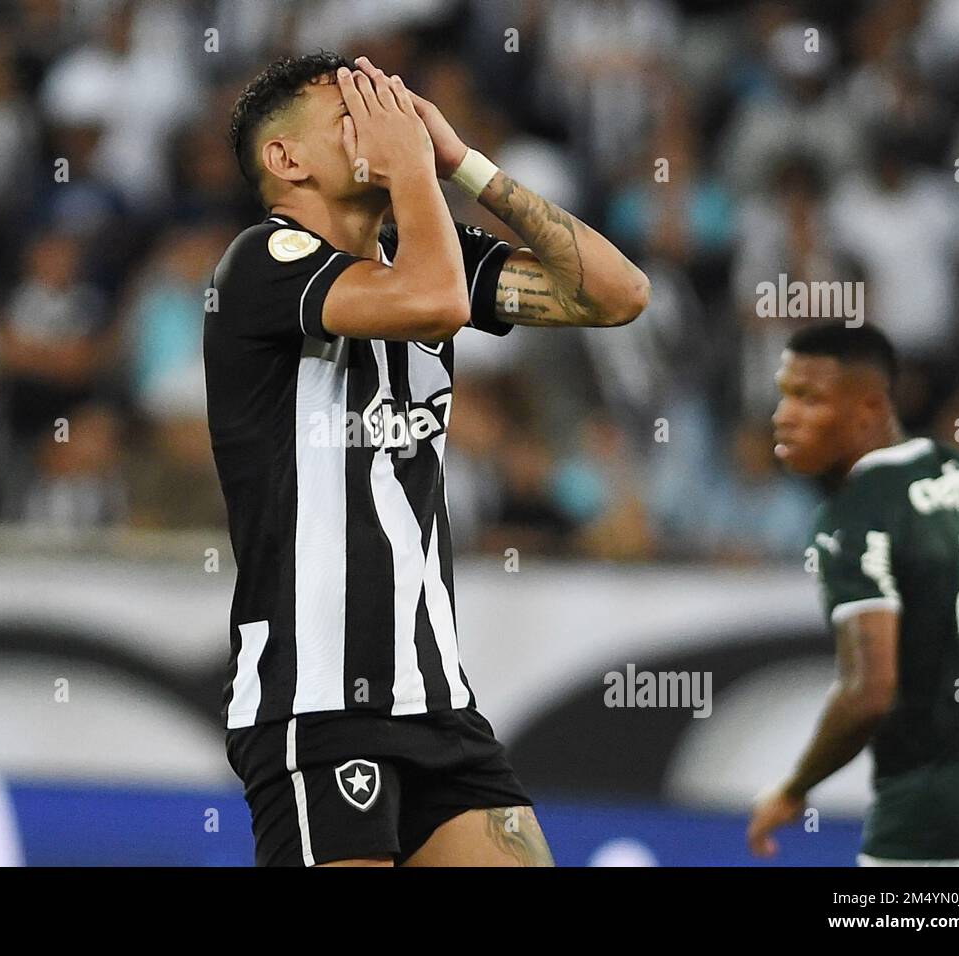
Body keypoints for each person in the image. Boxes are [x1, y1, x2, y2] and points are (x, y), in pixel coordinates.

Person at [204, 52, 649, 867]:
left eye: (388, 104)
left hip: (437, 701)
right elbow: (435, 303)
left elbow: (618, 295)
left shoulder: (422, 248)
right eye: (354, 113)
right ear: (286, 160)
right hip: (316, 700)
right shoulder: (259, 265)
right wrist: (415, 172)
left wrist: (462, 163)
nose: (386, 122)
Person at [749, 321, 959, 865]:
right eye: (783, 394)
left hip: (925, 826)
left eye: (808, 398)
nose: (783, 416)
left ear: (867, 410)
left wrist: (795, 787)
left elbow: (869, 692)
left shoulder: (854, 519)